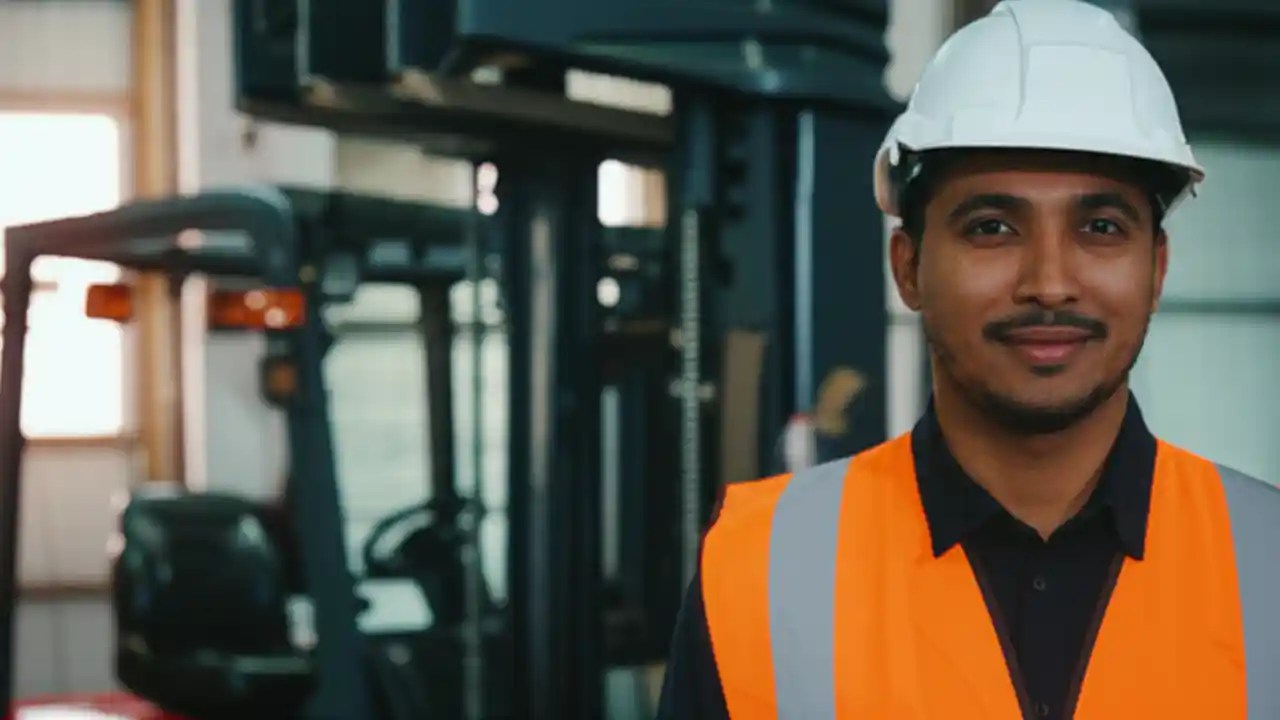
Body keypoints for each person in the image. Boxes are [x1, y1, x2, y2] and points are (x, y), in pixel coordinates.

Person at [654, 1, 1280, 718]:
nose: (1049, 281)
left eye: (1101, 227)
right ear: (909, 266)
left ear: (1156, 268)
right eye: (992, 227)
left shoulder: (1270, 561)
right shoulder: (759, 571)